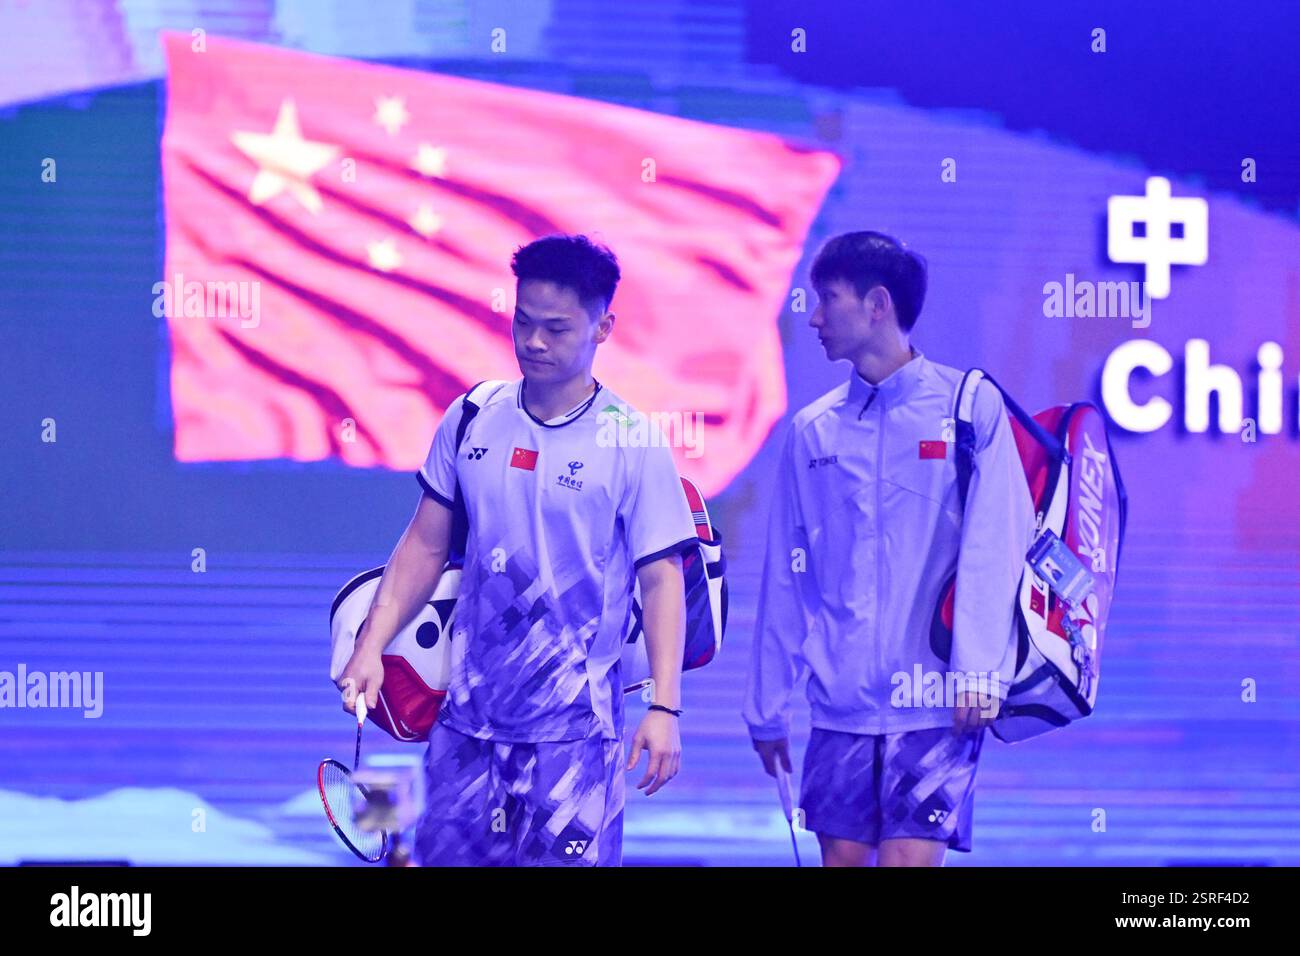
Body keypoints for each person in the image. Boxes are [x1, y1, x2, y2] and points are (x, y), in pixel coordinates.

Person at [338, 234, 698, 866]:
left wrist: (664, 705)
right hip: (465, 729)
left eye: (556, 329)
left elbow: (662, 580)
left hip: (576, 737)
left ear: (603, 327)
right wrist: (371, 645)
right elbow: (424, 545)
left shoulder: (633, 441)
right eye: (523, 322)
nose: (534, 342)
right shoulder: (473, 416)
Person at [743, 231, 1035, 867]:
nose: (815, 317)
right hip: (840, 702)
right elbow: (789, 576)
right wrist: (767, 705)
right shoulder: (813, 429)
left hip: (934, 700)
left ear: (878, 304)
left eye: (828, 299)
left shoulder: (968, 406)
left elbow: (998, 540)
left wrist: (979, 669)